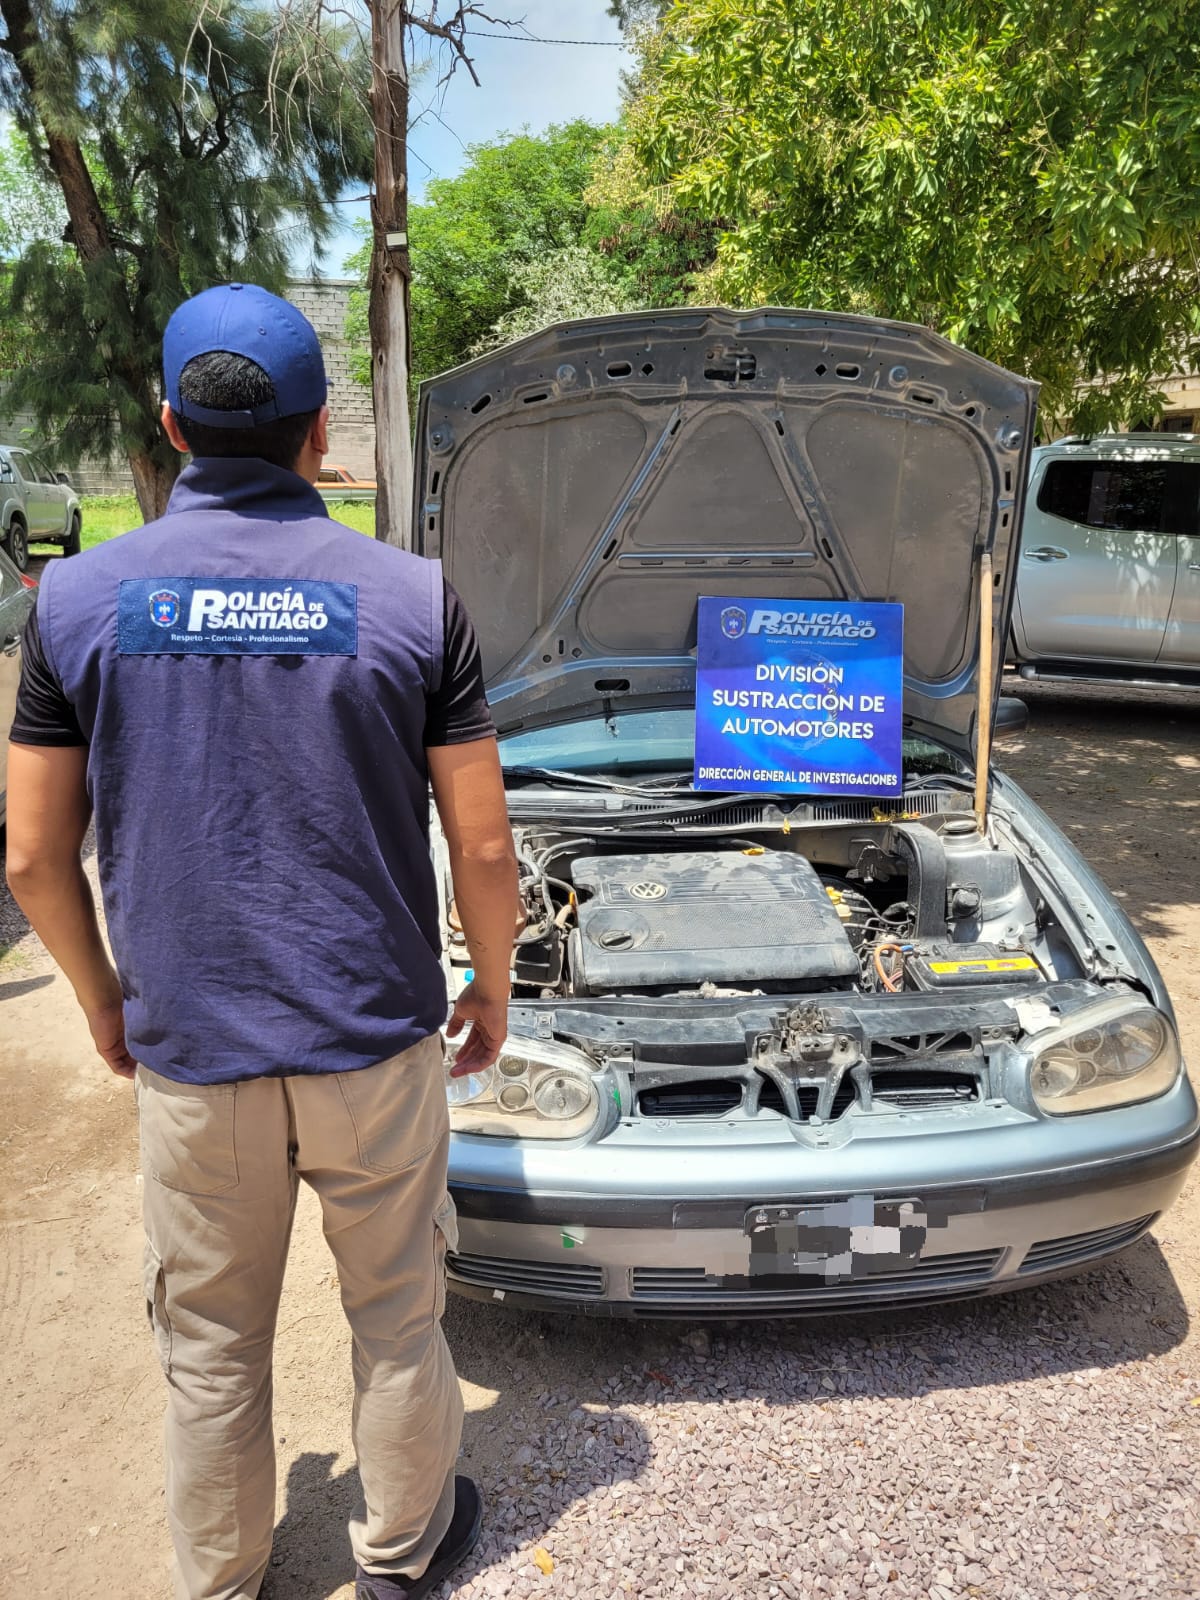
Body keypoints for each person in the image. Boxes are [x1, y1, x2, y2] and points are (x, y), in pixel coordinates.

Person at [5, 283, 518, 1600]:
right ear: (320, 429)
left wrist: (103, 1000)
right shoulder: (412, 598)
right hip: (371, 1040)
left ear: (169, 423)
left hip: (196, 1050)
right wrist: (493, 985)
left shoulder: (70, 606)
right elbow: (484, 848)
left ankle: (222, 1580)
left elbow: (28, 855)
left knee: (211, 1342)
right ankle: (400, 1556)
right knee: (398, 1314)